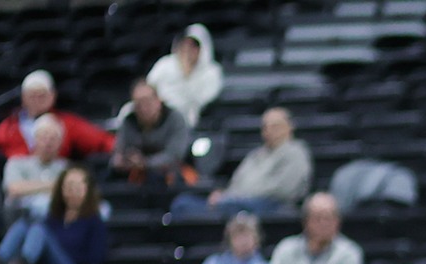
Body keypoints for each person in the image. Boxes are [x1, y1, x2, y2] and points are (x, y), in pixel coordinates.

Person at [171, 108, 312, 218]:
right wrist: (224, 195)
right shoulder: (256, 155)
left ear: (290, 127)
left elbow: (284, 190)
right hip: (237, 204)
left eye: (275, 126)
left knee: (227, 204)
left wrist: (234, 198)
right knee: (182, 203)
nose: (269, 131)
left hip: (269, 207)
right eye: (265, 127)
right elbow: (236, 182)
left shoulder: (295, 153)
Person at [0, 164, 107, 264]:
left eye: (77, 187)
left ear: (87, 190)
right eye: (68, 187)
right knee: (23, 224)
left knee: (39, 230)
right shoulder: (53, 219)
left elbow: (95, 263)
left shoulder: (94, 222)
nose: (72, 192)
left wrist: (59, 253)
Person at [0, 71, 114, 161]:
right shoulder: (9, 126)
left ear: (52, 96)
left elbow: (99, 140)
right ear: (23, 98)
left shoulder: (67, 123)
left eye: (42, 95)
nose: (37, 100)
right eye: (32, 95)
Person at [110, 79, 192, 190]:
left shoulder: (175, 118)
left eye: (147, 101)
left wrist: (145, 163)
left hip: (170, 176)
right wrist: (123, 160)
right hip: (134, 175)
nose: (143, 108)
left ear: (158, 101)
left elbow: (175, 155)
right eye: (138, 104)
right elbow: (119, 152)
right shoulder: (129, 121)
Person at [143, 24, 222, 128]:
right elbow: (148, 86)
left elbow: (203, 99)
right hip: (157, 108)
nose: (188, 51)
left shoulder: (212, 72)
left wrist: (186, 74)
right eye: (185, 45)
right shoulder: (165, 64)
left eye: (193, 46)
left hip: (186, 112)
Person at [0, 115, 67, 221]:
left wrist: (29, 188)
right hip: (19, 218)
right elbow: (14, 188)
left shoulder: (65, 168)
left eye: (53, 138)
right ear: (34, 140)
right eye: (43, 137)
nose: (48, 143)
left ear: (60, 143)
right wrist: (52, 186)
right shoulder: (16, 163)